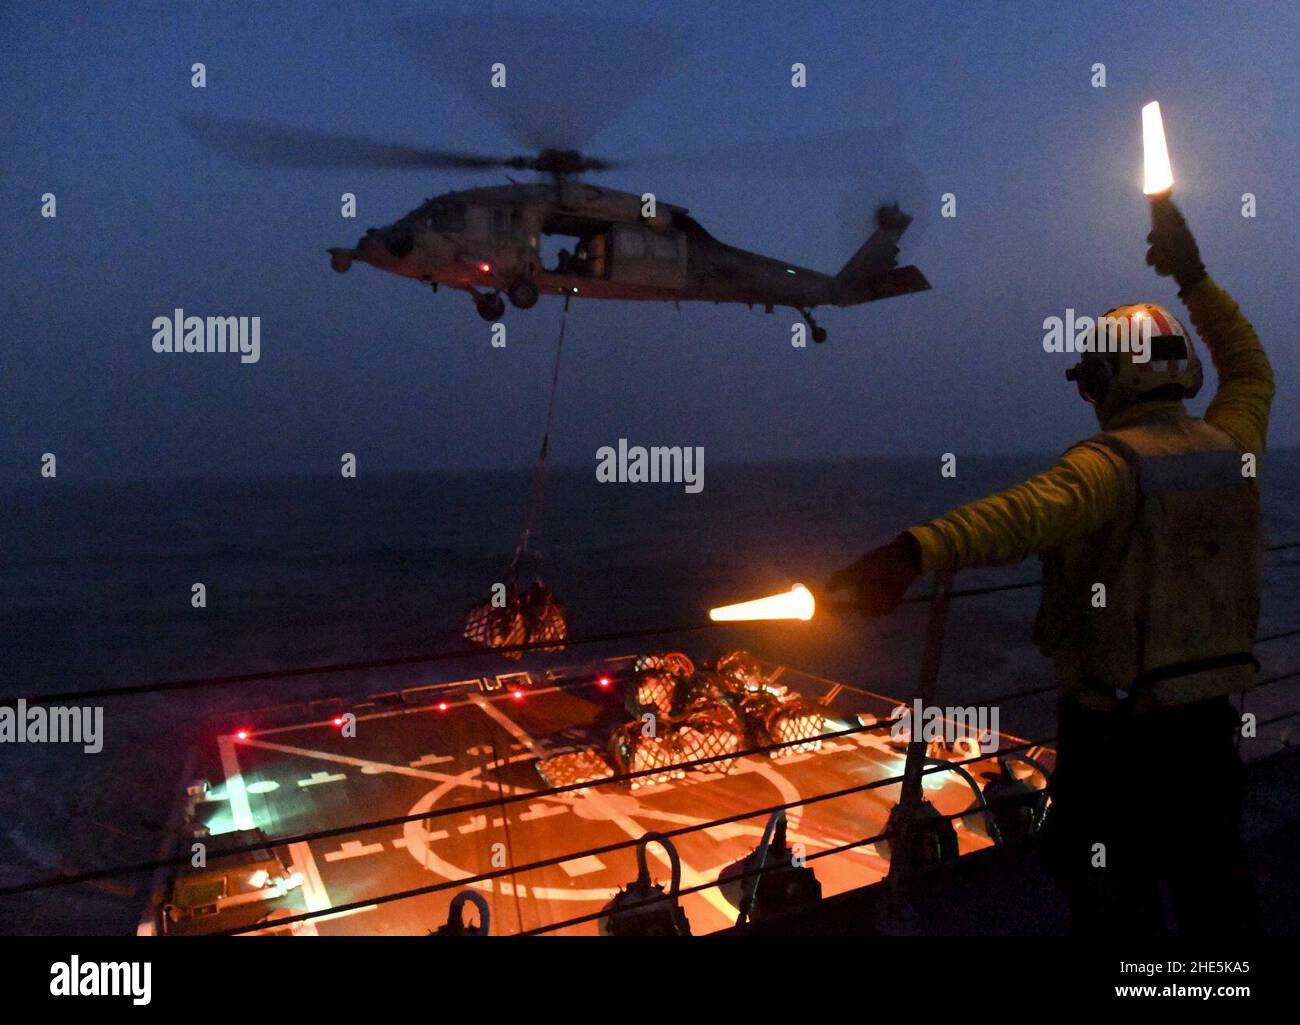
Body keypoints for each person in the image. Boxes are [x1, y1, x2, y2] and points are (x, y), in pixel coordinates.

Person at [825, 197, 1274, 935]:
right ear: (1184, 370)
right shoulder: (1236, 444)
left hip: (1120, 734)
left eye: (1090, 380)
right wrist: (1193, 276)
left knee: (1102, 880)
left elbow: (1017, 515)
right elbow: (1251, 365)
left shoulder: (1110, 466)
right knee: (1213, 881)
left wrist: (911, 550)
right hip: (1208, 729)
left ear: (1104, 381)